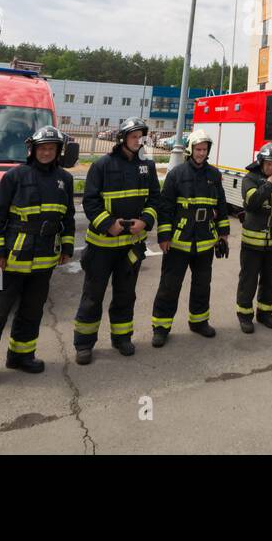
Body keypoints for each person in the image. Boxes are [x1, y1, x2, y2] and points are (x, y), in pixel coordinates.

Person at [0, 125, 75, 390]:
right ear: (33, 150)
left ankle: (21, 355)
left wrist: (67, 248)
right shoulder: (15, 176)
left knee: (31, 311)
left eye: (51, 148)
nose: (47, 152)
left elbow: (68, 217)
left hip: (43, 263)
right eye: (42, 148)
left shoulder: (65, 179)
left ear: (58, 151)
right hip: (6, 263)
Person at [73, 117, 160, 364]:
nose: (138, 140)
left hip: (131, 247)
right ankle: (84, 344)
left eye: (141, 136)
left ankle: (121, 338)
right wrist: (108, 224)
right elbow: (89, 201)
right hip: (101, 246)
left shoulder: (147, 167)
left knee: (125, 295)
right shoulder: (102, 165)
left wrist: (145, 221)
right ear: (122, 138)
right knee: (93, 296)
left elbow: (155, 199)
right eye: (134, 136)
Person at [150, 127, 230, 346]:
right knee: (169, 286)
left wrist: (223, 235)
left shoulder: (214, 175)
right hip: (179, 241)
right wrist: (164, 236)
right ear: (190, 149)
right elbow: (165, 208)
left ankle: (199, 322)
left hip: (205, 241)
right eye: (198, 149)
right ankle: (161, 327)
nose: (201, 153)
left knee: (202, 285)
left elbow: (221, 206)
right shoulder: (176, 174)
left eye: (204, 149)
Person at [237, 142, 272, 332]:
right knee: (248, 280)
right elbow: (252, 203)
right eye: (268, 163)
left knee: (269, 281)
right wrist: (269, 186)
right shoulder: (250, 179)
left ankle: (265, 313)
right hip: (251, 244)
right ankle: (245, 316)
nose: (271, 167)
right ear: (260, 161)